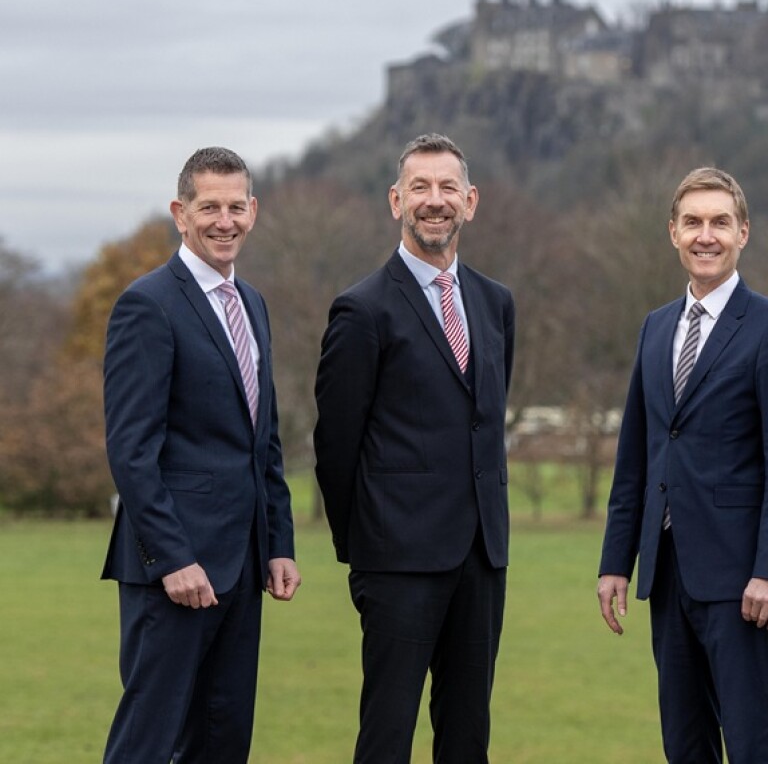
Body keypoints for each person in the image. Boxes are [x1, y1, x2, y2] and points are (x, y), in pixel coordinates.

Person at [597, 167, 768, 763]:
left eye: (721, 222)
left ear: (744, 232)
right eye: (692, 222)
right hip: (667, 572)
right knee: (685, 744)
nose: (706, 235)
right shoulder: (655, 327)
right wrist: (616, 561)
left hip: (742, 579)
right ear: (673, 232)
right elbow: (636, 457)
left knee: (754, 744)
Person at [314, 132, 515, 763]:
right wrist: (364, 552)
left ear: (470, 202)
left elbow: (483, 423)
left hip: (481, 558)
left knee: (468, 737)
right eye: (420, 187)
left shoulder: (496, 303)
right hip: (396, 561)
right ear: (396, 201)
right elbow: (335, 446)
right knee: (387, 736)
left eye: (448, 187)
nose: (435, 200)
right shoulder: (361, 310)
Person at [101, 146, 300, 763]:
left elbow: (263, 440)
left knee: (222, 741)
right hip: (175, 573)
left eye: (236, 207)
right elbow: (131, 450)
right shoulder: (148, 304)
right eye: (209, 207)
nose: (224, 220)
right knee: (147, 742)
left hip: (242, 566)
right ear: (179, 213)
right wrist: (173, 559)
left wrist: (279, 542)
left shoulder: (253, 304)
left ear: (253, 212)